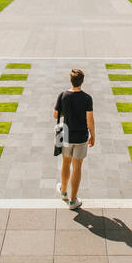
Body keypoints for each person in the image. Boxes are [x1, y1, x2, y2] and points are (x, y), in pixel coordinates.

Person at [53, 68, 95, 210]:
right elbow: (90, 120)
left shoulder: (63, 95)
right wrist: (93, 135)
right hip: (81, 136)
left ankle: (64, 191)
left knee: (65, 163)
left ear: (71, 80)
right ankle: (73, 200)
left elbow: (55, 115)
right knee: (77, 167)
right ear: (82, 81)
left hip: (66, 135)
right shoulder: (87, 98)